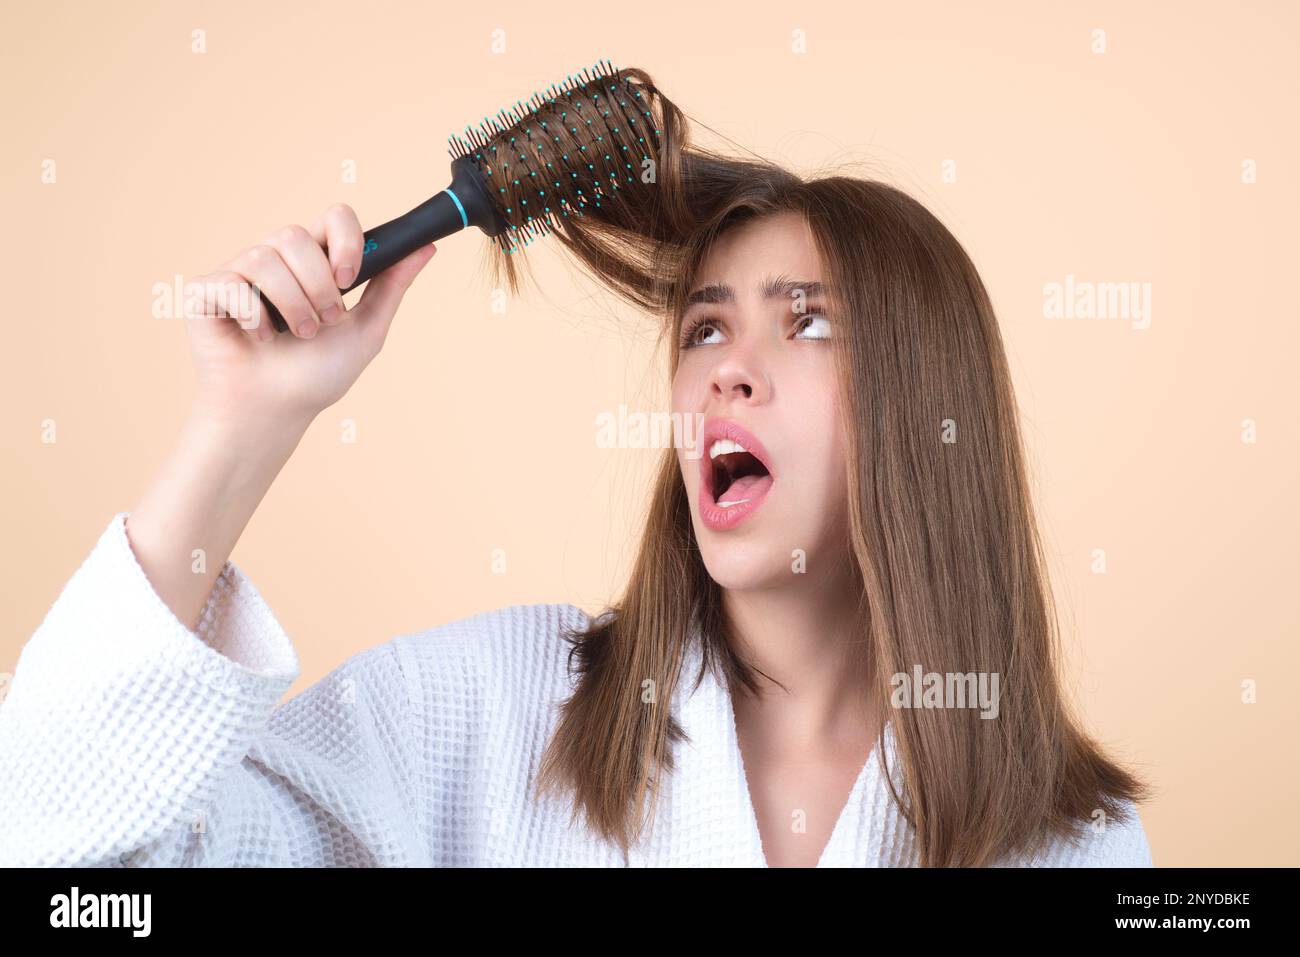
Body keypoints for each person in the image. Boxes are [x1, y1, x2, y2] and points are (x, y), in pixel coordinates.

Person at [0, 72, 1153, 868]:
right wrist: (239, 429)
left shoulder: (1070, 837)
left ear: (927, 401)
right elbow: (70, 857)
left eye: (804, 325)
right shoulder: (487, 715)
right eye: (703, 329)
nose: (725, 375)